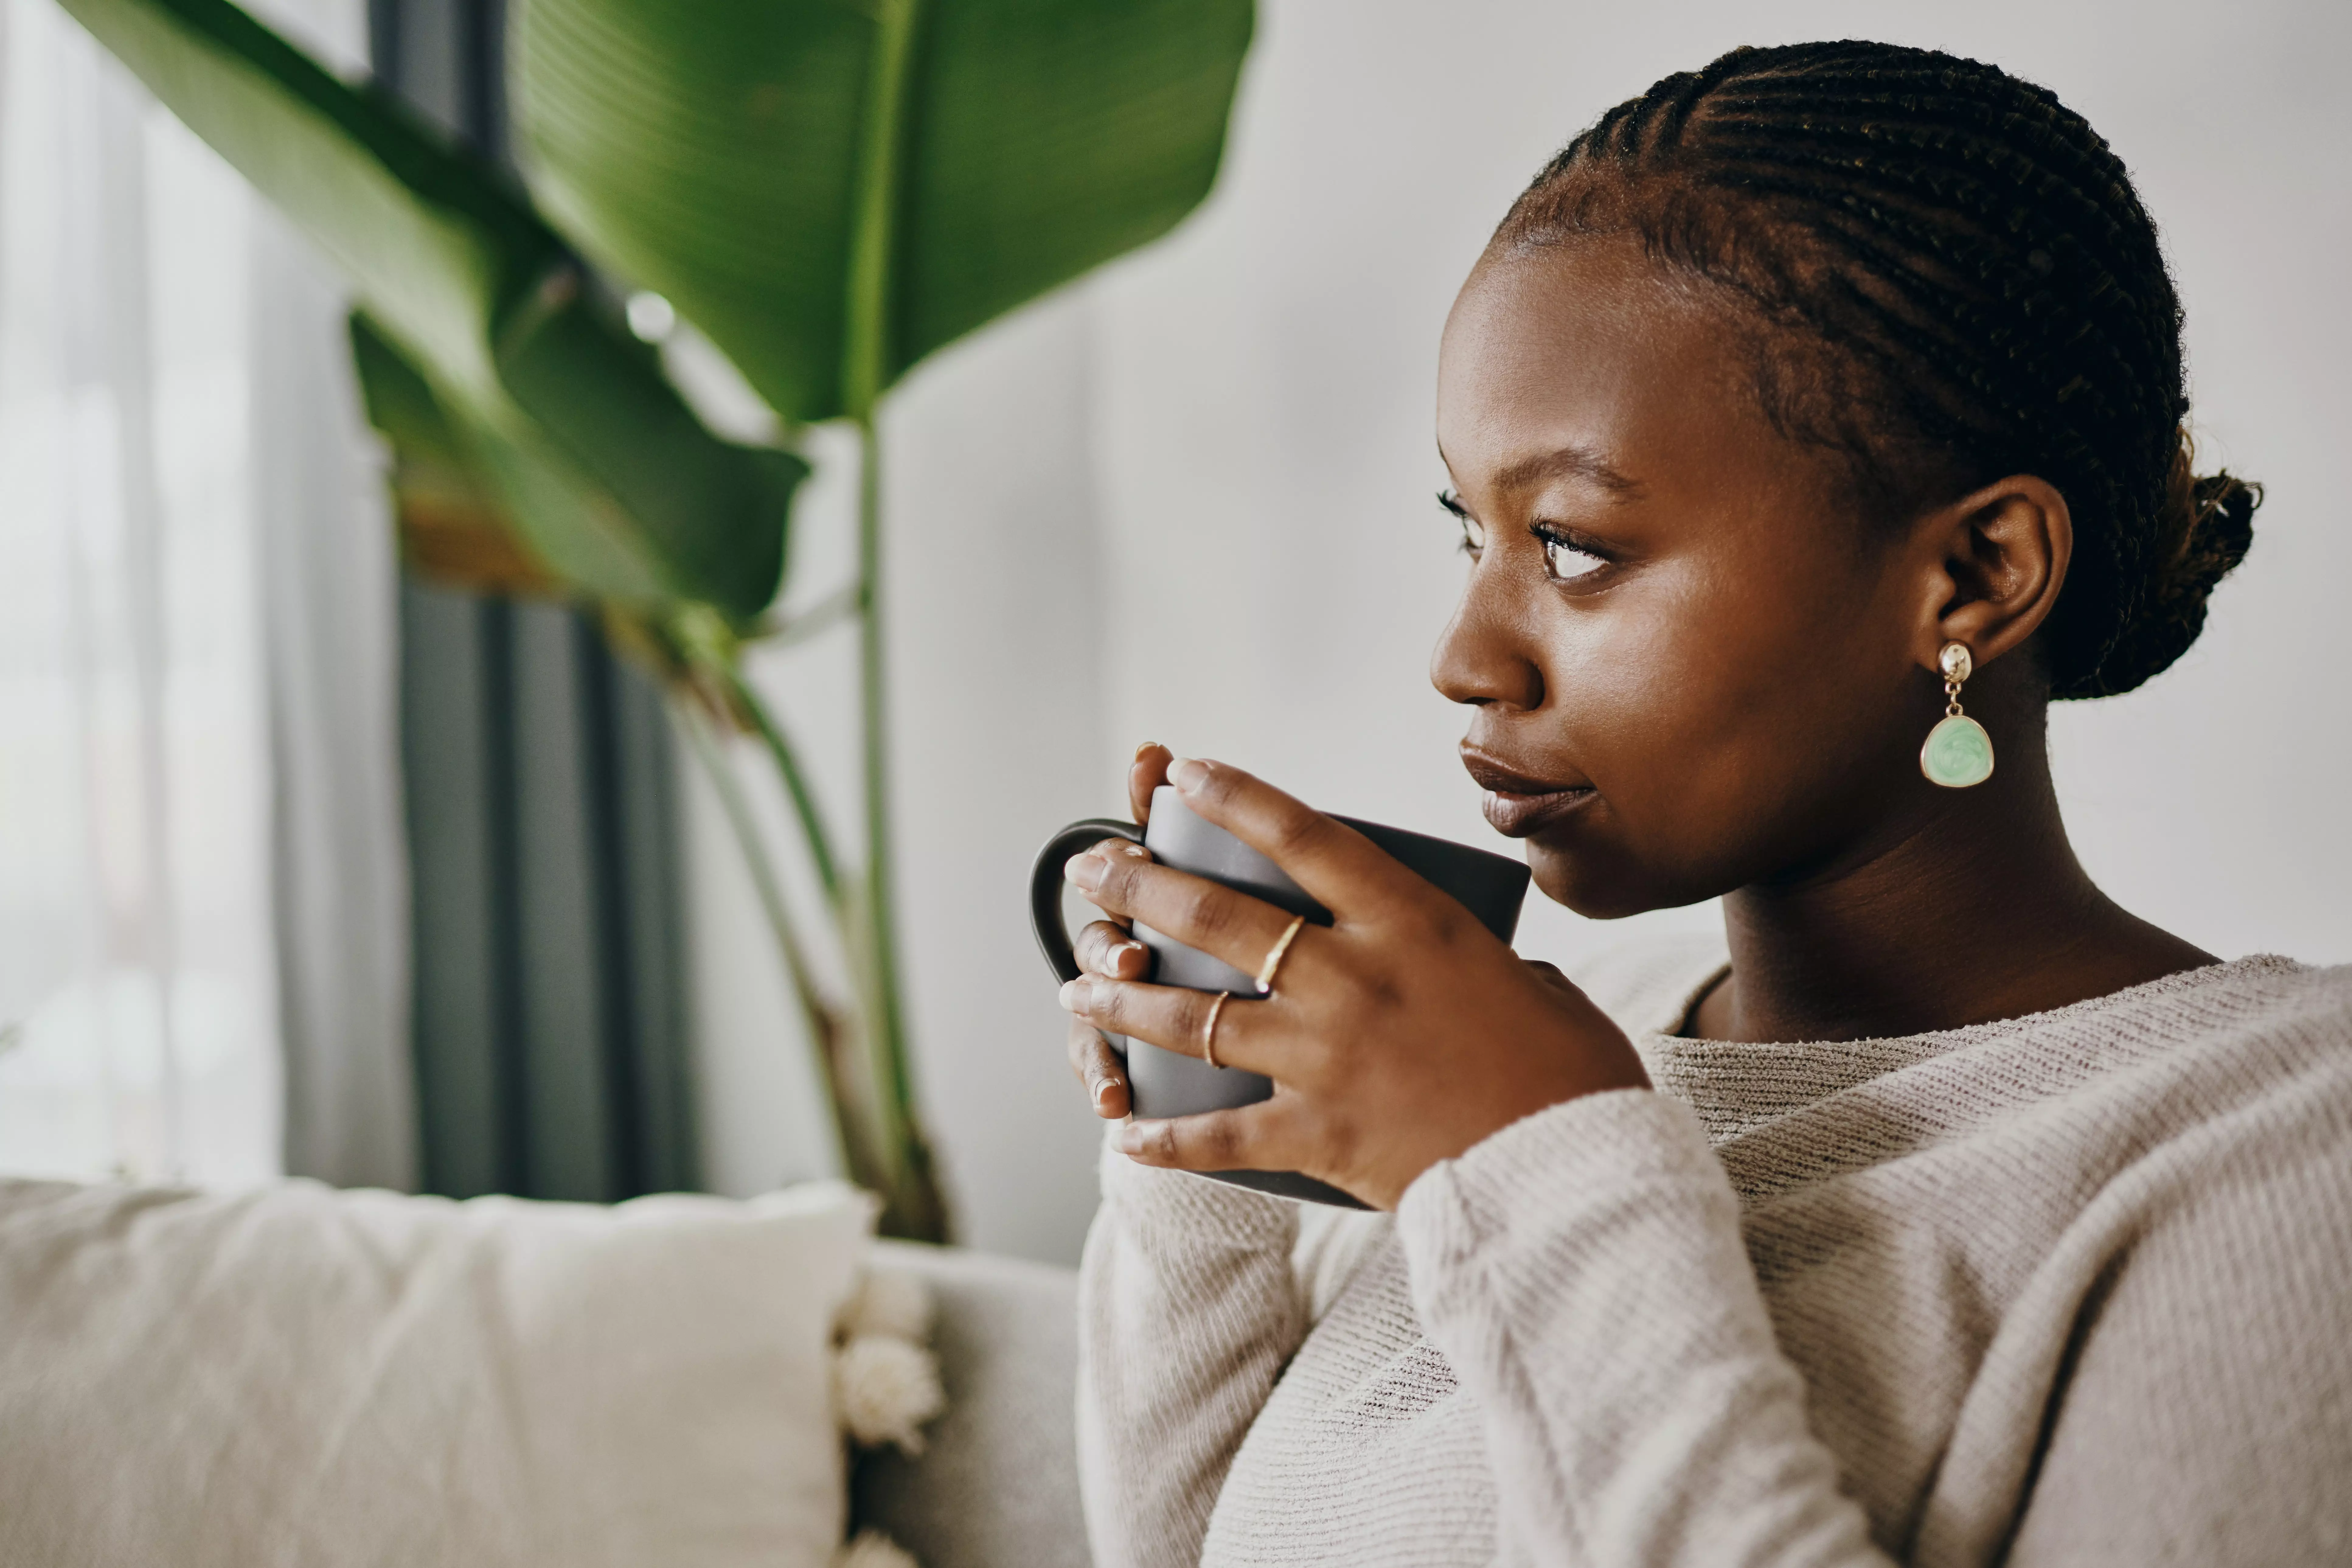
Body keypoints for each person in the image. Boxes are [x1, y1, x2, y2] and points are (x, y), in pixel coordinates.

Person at [1052, 39, 2352, 1568]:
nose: (1465, 658)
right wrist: (1200, 1163)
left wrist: (1535, 1157)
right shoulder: (1538, 1027)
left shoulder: (2281, 1155)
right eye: (1467, 529)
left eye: (1579, 547)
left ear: (1978, 574)